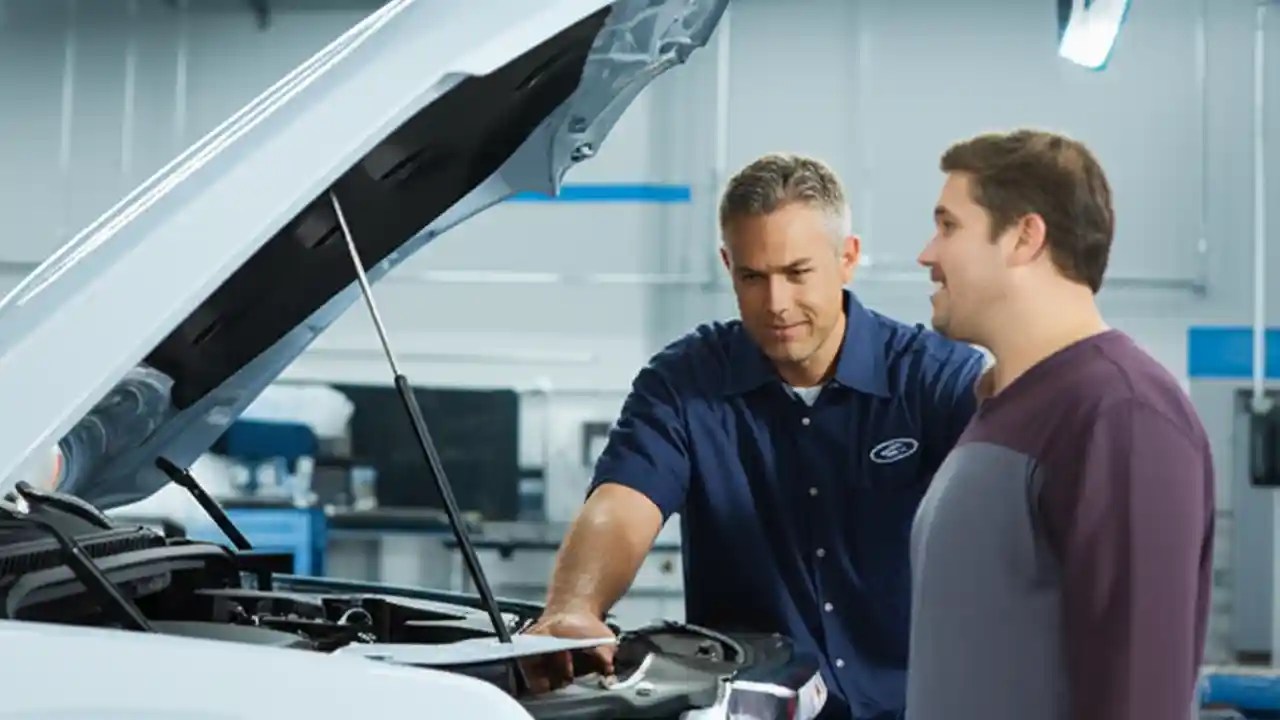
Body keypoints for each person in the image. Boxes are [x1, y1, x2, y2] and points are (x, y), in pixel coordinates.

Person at [520, 152, 987, 720]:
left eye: (798, 273)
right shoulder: (685, 382)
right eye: (753, 277)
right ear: (727, 265)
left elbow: (1020, 508)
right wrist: (574, 606)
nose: (777, 304)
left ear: (848, 258)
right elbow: (621, 504)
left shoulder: (934, 379)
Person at [907, 129, 1215, 720]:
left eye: (948, 226)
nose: (928, 253)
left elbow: (1137, 698)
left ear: (1026, 236)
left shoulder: (1121, 416)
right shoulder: (1006, 410)